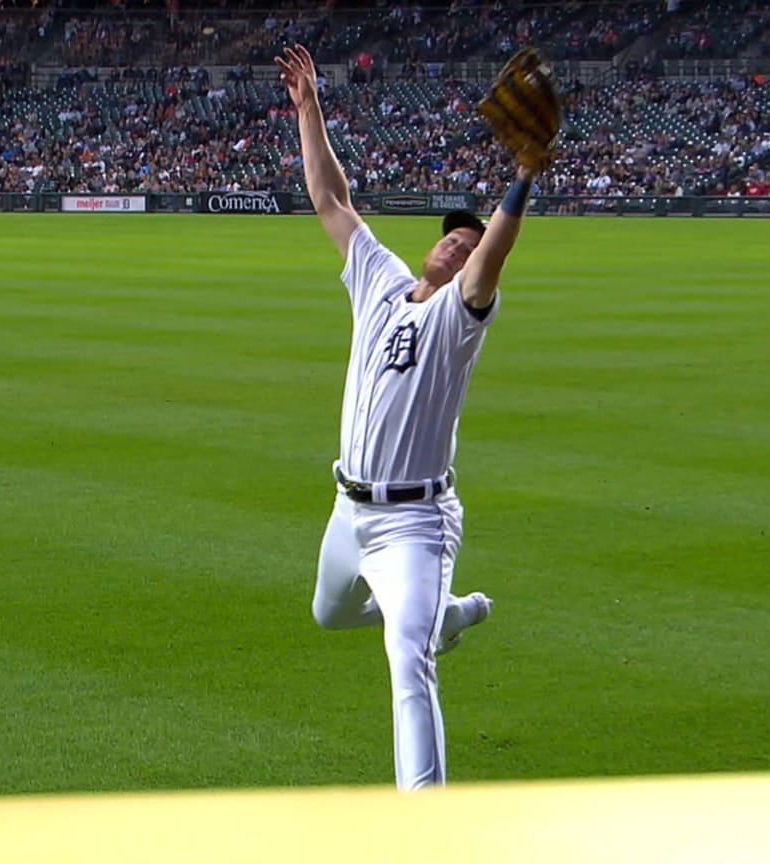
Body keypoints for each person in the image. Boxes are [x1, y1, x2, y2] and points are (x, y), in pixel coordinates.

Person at [276, 43, 538, 791]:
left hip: (416, 523)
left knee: (406, 664)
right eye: (452, 235)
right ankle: (442, 616)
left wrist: (520, 179)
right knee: (330, 615)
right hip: (346, 506)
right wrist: (309, 109)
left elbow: (495, 256)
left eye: (470, 240)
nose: (459, 243)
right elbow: (332, 201)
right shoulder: (383, 282)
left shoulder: (461, 315)